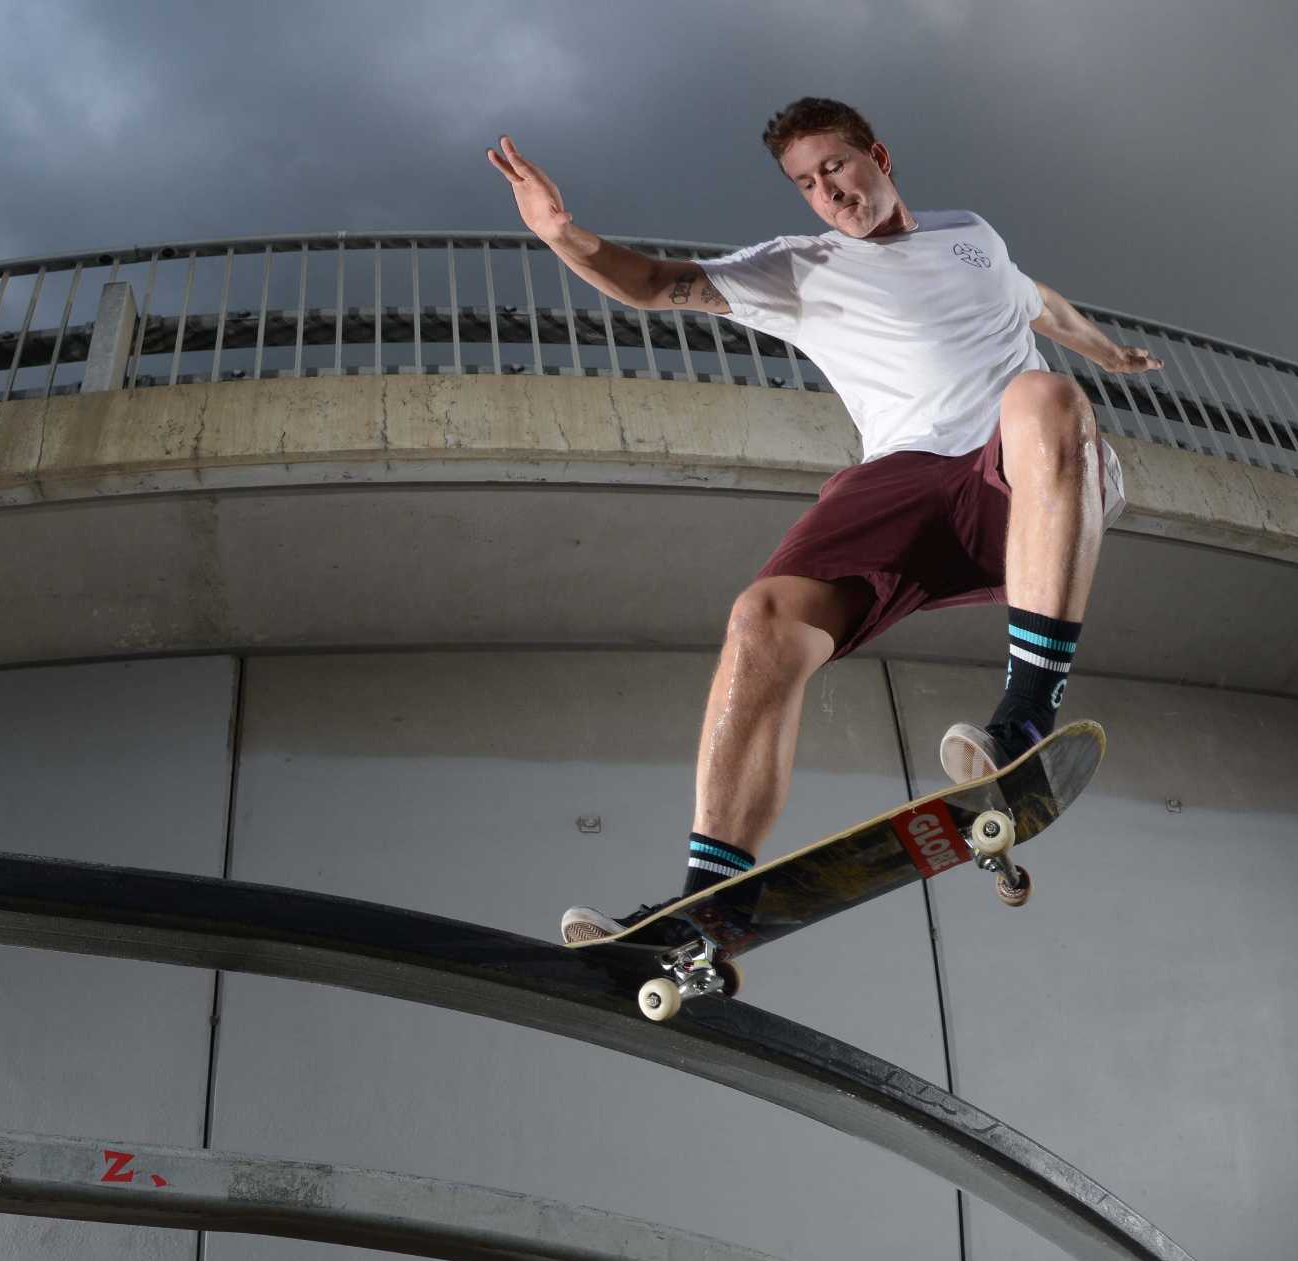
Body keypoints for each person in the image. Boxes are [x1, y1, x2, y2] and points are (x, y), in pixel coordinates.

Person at [485, 99, 1162, 947]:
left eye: (836, 168)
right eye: (806, 183)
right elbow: (657, 285)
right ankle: (711, 903)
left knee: (1041, 393)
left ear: (877, 154)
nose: (828, 193)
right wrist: (562, 233)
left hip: (1028, 470)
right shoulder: (797, 268)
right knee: (761, 620)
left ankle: (1026, 713)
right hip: (905, 473)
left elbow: (1036, 303)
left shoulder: (971, 235)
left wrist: (1103, 350)